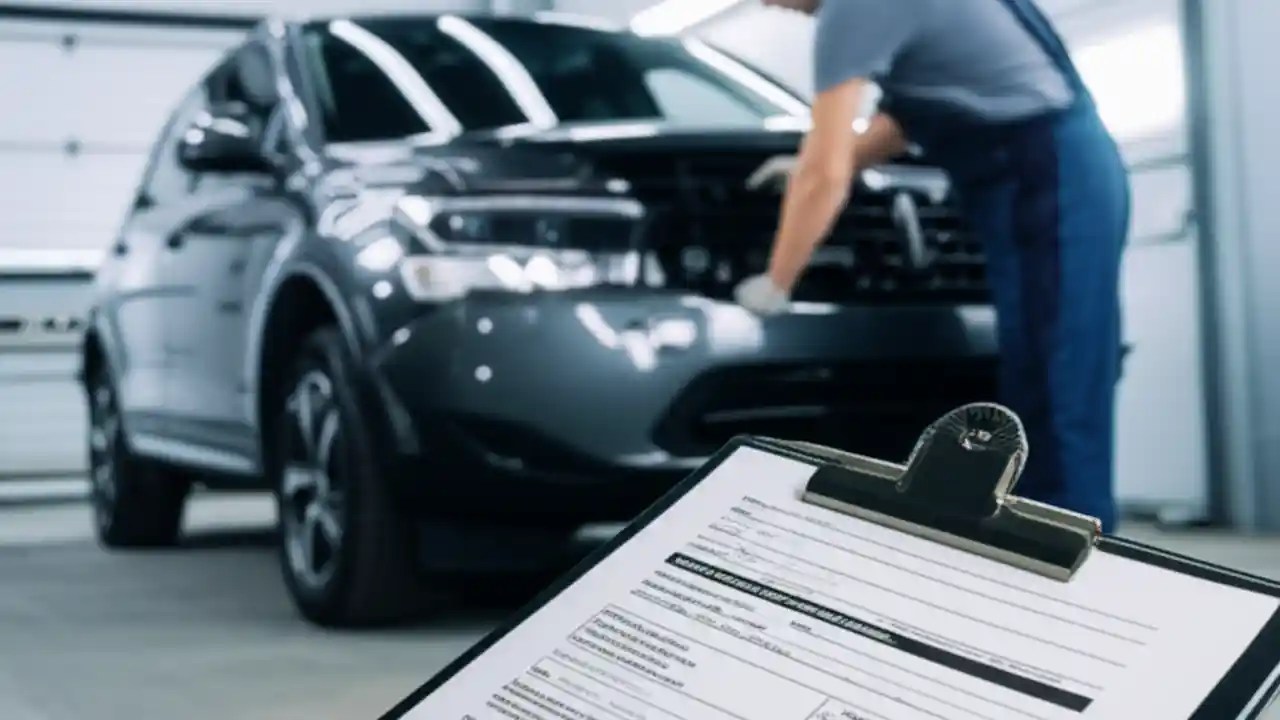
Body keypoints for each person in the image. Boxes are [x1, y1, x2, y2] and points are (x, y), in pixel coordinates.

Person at [734, 0, 1130, 532]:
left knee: (1055, 379)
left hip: (1050, 178)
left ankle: (1068, 553)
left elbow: (823, 172)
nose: (768, 4)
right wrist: (834, 161)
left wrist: (775, 282)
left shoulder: (849, 9)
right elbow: (907, 117)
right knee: (1052, 368)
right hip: (1049, 172)